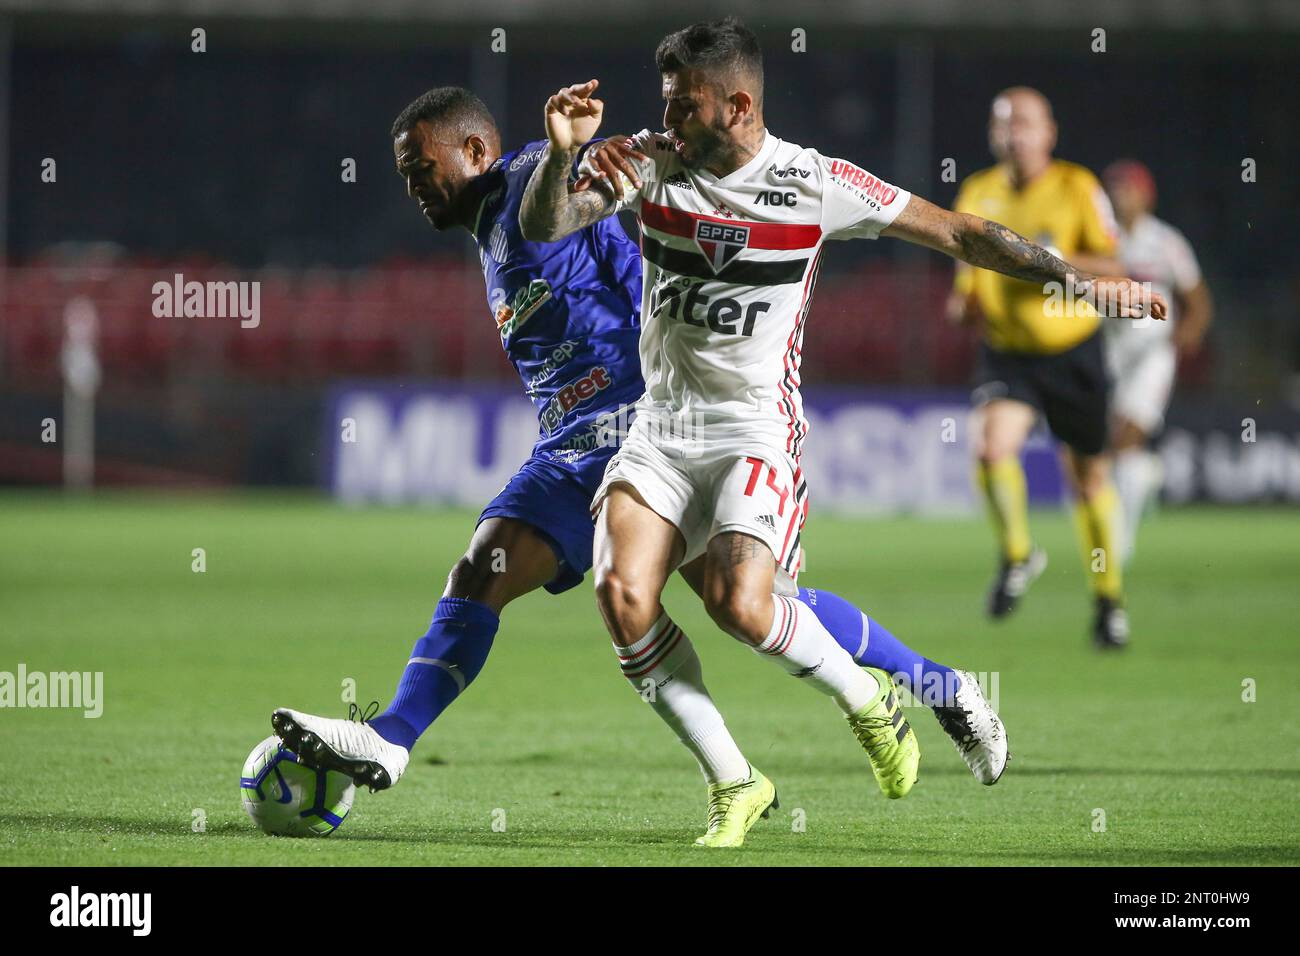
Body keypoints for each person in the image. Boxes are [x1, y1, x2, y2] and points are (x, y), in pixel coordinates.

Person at [271, 85, 1009, 840]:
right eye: (402, 176)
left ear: (474, 152)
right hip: (572, 440)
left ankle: (912, 695)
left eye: (421, 167)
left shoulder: (531, 174)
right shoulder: (491, 227)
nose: (414, 187)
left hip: (643, 422)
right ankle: (398, 737)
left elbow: (582, 179)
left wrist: (568, 150)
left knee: (732, 602)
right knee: (537, 576)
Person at [519, 17, 1163, 845]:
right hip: (660, 428)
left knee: (743, 607)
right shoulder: (650, 159)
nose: (667, 120)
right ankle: (737, 780)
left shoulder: (814, 182)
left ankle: (879, 700)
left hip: (755, 431)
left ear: (739, 104)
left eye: (684, 106)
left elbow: (963, 235)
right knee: (620, 594)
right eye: (666, 102)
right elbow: (546, 226)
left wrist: (1088, 288)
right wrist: (563, 154)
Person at [948, 87, 1136, 648]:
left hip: (1074, 352)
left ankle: (1108, 601)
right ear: (993, 135)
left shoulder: (1078, 187)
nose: (1014, 134)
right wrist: (964, 302)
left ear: (1049, 133)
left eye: (1025, 124)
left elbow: (1114, 262)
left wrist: (1047, 256)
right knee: (990, 447)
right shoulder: (977, 191)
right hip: (1009, 353)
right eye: (1004, 124)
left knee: (1089, 480)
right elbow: (967, 273)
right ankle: (1018, 554)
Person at [1102, 159, 1213, 565]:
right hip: (1111, 351)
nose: (1118, 195)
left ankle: (1120, 541)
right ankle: (1146, 474)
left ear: (1146, 195)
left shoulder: (1166, 242)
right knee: (1111, 447)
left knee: (1127, 438)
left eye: (1126, 187)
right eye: (1113, 187)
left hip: (1152, 353)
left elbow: (1198, 300)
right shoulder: (1103, 239)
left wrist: (1183, 338)